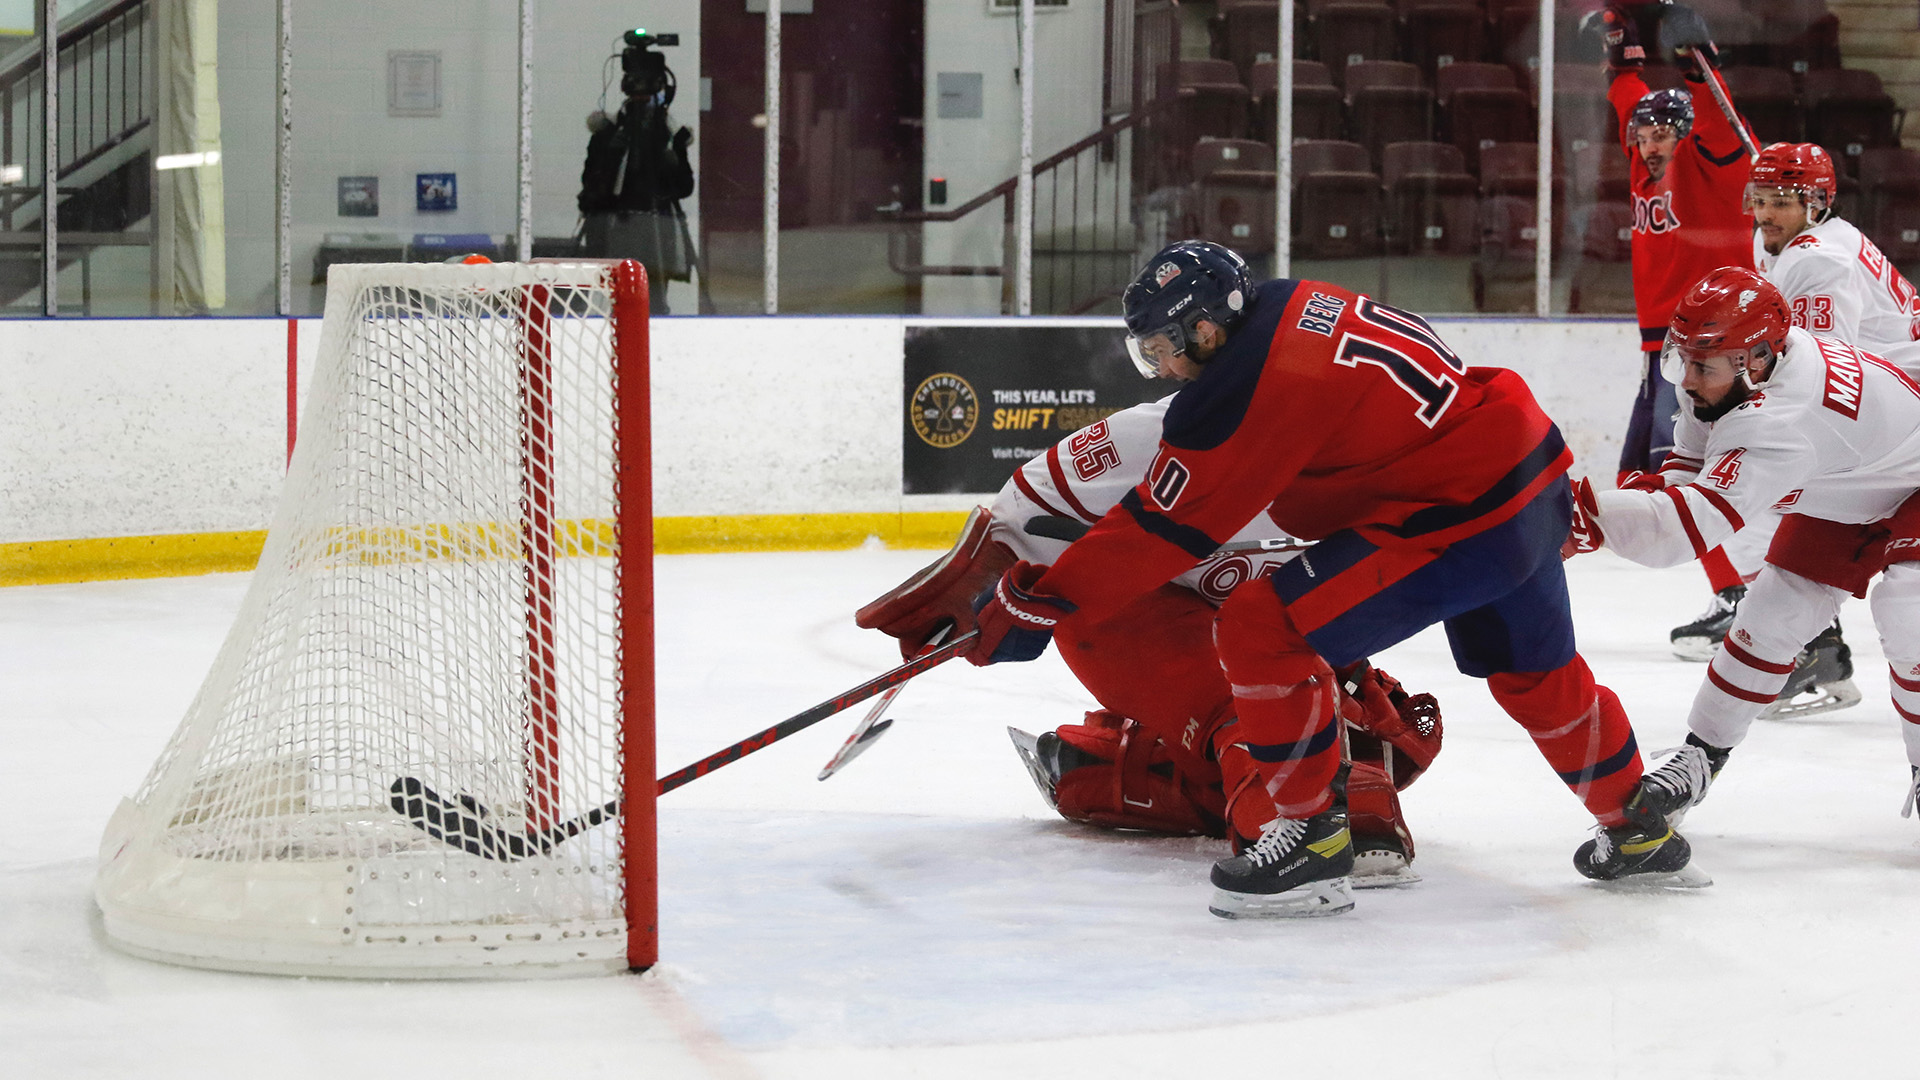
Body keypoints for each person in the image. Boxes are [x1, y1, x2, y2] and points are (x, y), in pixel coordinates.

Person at [957, 239, 1696, 920]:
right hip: (1528, 475)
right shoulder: (1293, 304)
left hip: (1458, 511)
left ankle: (1309, 842)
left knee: (1260, 626)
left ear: (1207, 329)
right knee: (1535, 671)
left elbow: (1166, 525)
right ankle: (1636, 825)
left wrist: (1042, 595)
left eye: (1165, 351)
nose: (1166, 372)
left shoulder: (1255, 381)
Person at [856, 400, 1444, 888]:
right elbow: (1022, 513)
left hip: (1253, 618)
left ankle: (1106, 765)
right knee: (1248, 710)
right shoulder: (1157, 435)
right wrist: (977, 591)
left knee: (1366, 727)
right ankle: (1290, 827)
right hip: (1124, 611)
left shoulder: (1385, 461)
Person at [1564, 266, 1920, 825]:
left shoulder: (1780, 417)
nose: (1685, 379)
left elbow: (1680, 533)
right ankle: (1697, 759)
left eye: (1700, 365)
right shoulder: (1742, 375)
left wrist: (1579, 517)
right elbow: (1686, 487)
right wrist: (1612, 510)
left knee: (1910, 611)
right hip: (1855, 484)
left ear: (1755, 361)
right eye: (1681, 359)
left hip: (1904, 481)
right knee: (1767, 618)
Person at [1592, 3, 1758, 651]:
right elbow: (1625, 94)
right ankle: (1747, 593)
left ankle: (1744, 594)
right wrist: (1621, 45)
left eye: (1666, 132)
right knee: (1661, 475)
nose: (1653, 141)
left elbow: (1719, 119)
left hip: (1717, 345)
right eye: (1645, 134)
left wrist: (1697, 64)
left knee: (1685, 476)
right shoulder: (1644, 162)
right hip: (1665, 348)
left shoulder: (1713, 164)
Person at [577, 35, 694, 316]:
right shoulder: (609, 133)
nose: (640, 94)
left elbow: (684, 187)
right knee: (616, 305)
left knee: (653, 303)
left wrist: (671, 156)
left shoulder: (669, 135)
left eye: (647, 87)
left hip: (657, 233)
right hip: (616, 230)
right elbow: (591, 190)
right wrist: (610, 153)